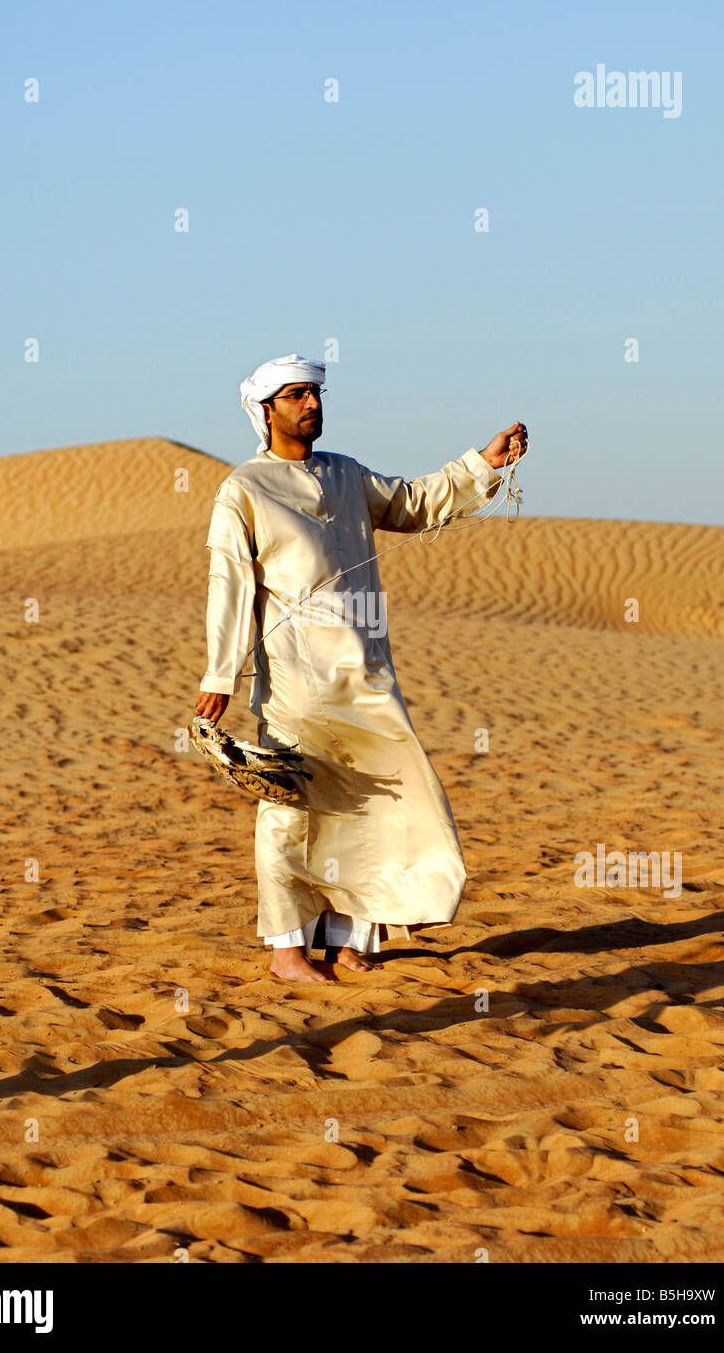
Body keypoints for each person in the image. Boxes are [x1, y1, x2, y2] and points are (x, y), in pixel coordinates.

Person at [194, 353, 527, 982]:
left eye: (316, 394)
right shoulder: (244, 489)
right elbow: (229, 585)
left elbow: (413, 504)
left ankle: (352, 938)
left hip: (368, 675)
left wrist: (484, 464)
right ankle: (287, 950)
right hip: (295, 682)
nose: (311, 405)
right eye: (295, 396)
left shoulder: (347, 475)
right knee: (291, 806)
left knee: (376, 802)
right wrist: (219, 675)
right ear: (266, 410)